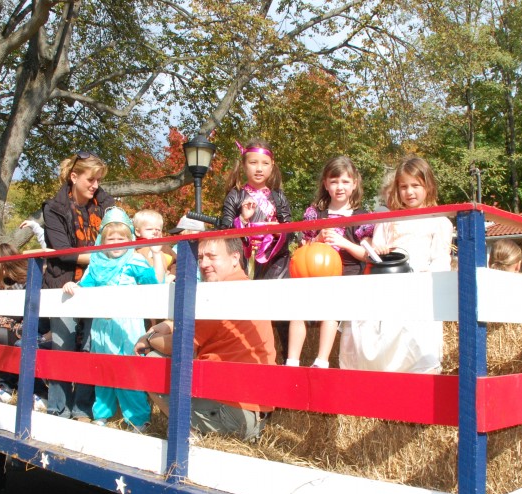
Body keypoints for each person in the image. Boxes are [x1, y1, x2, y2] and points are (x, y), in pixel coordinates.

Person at [134, 237, 276, 441]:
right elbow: (195, 325)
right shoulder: (243, 286)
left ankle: (187, 431)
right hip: (252, 412)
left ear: (235, 258)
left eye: (212, 256)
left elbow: (178, 345)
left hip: (232, 413)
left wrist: (149, 338)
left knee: (151, 363)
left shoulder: (220, 294)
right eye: (200, 258)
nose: (204, 264)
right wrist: (166, 325)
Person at [340, 156, 453, 374]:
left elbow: (441, 261)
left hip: (420, 289)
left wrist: (423, 281)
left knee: (414, 337)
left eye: (415, 186)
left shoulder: (440, 222)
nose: (409, 192)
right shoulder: (388, 220)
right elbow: (376, 253)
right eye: (404, 187)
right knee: (366, 327)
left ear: (428, 186)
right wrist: (379, 250)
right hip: (388, 285)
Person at [63, 207, 164, 430]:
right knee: (103, 370)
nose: (116, 243)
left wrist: (157, 254)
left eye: (121, 239)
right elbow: (85, 286)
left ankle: (138, 419)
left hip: (127, 326)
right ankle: (102, 414)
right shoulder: (96, 264)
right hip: (101, 326)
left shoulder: (135, 260)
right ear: (102, 240)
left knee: (129, 371)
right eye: (111, 239)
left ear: (129, 239)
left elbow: (154, 284)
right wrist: (72, 285)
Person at [42, 152, 115, 421]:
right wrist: (105, 256)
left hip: (96, 282)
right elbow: (64, 253)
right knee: (63, 346)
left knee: (89, 346)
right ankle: (58, 409)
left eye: (98, 180)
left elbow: (119, 230)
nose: (95, 185)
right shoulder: (54, 208)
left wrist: (108, 256)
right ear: (74, 177)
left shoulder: (104, 204)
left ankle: (82, 408)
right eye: (90, 179)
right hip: (63, 283)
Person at [286, 156, 374, 369]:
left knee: (330, 309)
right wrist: (317, 238)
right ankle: (292, 361)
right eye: (334, 182)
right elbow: (302, 248)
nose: (339, 187)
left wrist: (344, 243)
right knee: (297, 310)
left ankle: (321, 360)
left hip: (346, 276)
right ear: (326, 184)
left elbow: (367, 255)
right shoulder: (315, 214)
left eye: (345, 182)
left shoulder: (362, 217)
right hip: (314, 275)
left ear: (354, 184)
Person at [221, 138, 292, 359]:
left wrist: (278, 231)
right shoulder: (236, 195)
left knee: (279, 310)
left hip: (275, 261)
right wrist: (243, 220)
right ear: (244, 165)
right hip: (244, 260)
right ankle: (243, 354)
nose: (259, 168)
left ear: (272, 166)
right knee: (243, 311)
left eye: (264, 163)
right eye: (253, 163)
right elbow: (224, 230)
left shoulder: (278, 196)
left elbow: (290, 229)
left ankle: (285, 357)